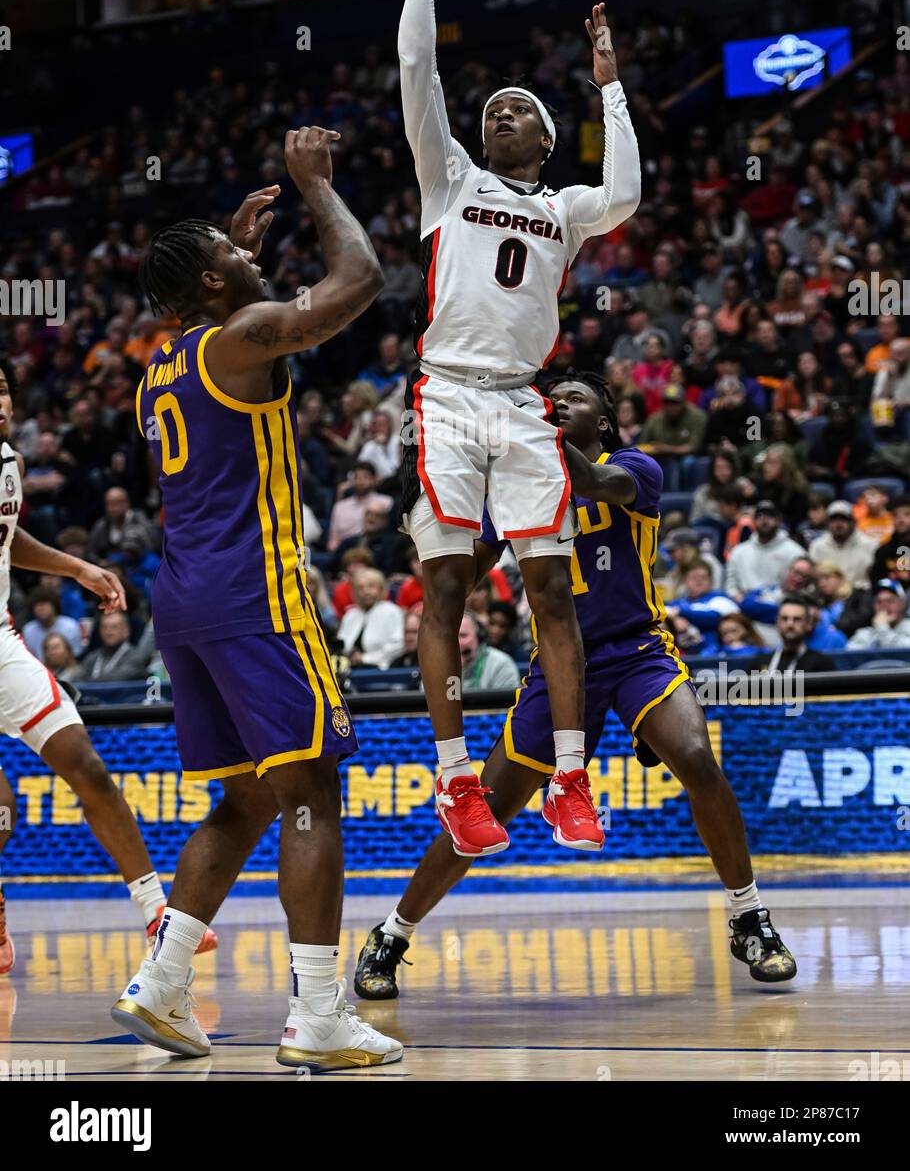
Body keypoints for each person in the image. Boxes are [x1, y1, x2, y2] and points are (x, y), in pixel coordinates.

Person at [353, 371, 795, 1000]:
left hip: (639, 650)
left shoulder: (636, 467)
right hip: (562, 669)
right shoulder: (519, 489)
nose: (558, 403)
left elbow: (591, 481)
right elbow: (466, 573)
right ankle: (391, 935)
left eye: (573, 399)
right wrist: (436, 531)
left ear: (605, 421)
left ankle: (749, 916)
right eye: (550, 397)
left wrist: (521, 429)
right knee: (490, 807)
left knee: (697, 757)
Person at [114, 130, 401, 1070]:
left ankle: (161, 984)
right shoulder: (242, 338)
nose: (250, 255)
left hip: (185, 606)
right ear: (209, 288)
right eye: (236, 256)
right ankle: (317, 1016)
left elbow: (248, 318)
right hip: (257, 600)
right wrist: (319, 189)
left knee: (241, 803)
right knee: (312, 787)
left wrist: (239, 264)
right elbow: (359, 281)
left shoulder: (170, 360)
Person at [378, 0, 641, 857]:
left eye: (519, 109)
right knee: (444, 590)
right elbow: (415, 65)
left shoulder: (565, 208)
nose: (499, 114)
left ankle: (569, 776)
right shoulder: (447, 179)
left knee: (552, 593)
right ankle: (455, 783)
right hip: (447, 394)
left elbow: (625, 189)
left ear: (544, 135)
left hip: (524, 404)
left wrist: (607, 83)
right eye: (489, 107)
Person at [0, 360, 213, 979]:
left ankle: (155, 911)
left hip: (3, 642)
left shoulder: (10, 461)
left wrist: (78, 568)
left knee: (85, 764)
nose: (1, 403)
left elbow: (7, 537)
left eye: (6, 389)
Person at [724, 502, 806, 601]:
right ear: (754, 520)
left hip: (781, 606)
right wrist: (741, 600)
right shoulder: (738, 552)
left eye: (770, 516)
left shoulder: (795, 552)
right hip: (744, 605)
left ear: (779, 520)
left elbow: (802, 586)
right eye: (759, 516)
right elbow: (730, 586)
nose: (764, 520)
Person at [338, 569, 406, 669]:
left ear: (381, 589)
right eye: (360, 588)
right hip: (349, 670)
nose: (366, 592)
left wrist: (364, 658)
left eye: (371, 586)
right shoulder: (350, 615)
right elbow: (341, 644)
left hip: (382, 669)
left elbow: (398, 646)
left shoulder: (392, 611)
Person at [809, 501, 879, 589]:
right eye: (834, 519)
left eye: (843, 519)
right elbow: (812, 579)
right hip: (827, 596)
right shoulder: (817, 547)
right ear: (827, 523)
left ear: (853, 522)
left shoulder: (870, 545)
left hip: (860, 596)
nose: (838, 524)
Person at [766, 598, 837, 674]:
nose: (790, 624)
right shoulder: (760, 662)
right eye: (784, 618)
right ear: (777, 623)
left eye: (797, 619)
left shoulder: (822, 664)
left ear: (808, 624)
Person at [846, 580, 910, 650]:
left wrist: (882, 628)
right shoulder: (865, 633)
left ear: (902, 604)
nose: (884, 606)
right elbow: (851, 657)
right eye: (879, 602)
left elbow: (904, 653)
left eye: (890, 601)